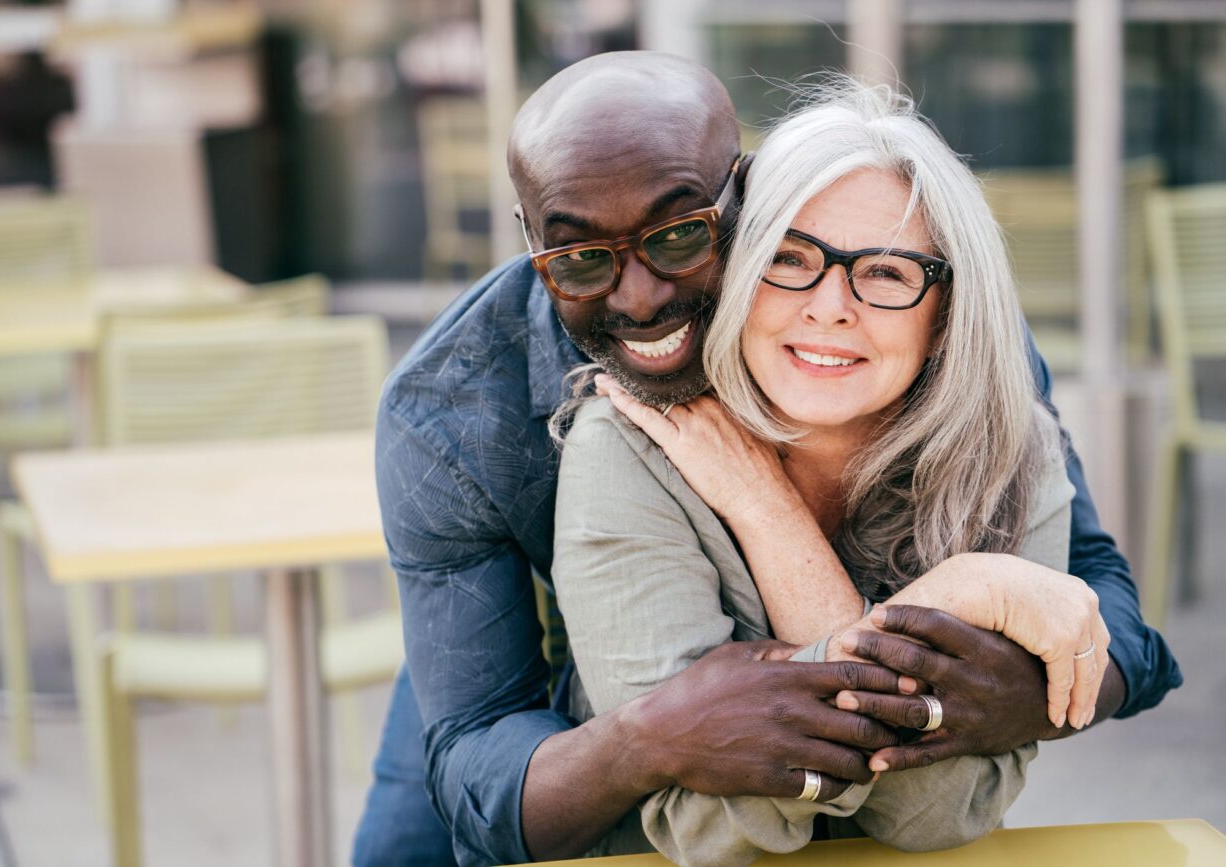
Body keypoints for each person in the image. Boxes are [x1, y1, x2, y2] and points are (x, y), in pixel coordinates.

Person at [354, 52, 1181, 867]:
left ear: (740, 198)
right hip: (518, 679)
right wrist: (655, 735)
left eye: (678, 235)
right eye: (578, 256)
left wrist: (1030, 686)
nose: (640, 298)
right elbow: (480, 761)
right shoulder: (451, 410)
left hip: (753, 731)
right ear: (532, 240)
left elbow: (1107, 613)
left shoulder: (934, 330)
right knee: (411, 844)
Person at [551, 80, 1108, 864]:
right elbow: (711, 828)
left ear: (945, 310)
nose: (830, 306)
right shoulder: (632, 447)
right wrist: (958, 601)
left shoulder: (1012, 453)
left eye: (885, 272)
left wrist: (765, 512)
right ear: (738, 275)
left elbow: (938, 810)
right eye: (790, 257)